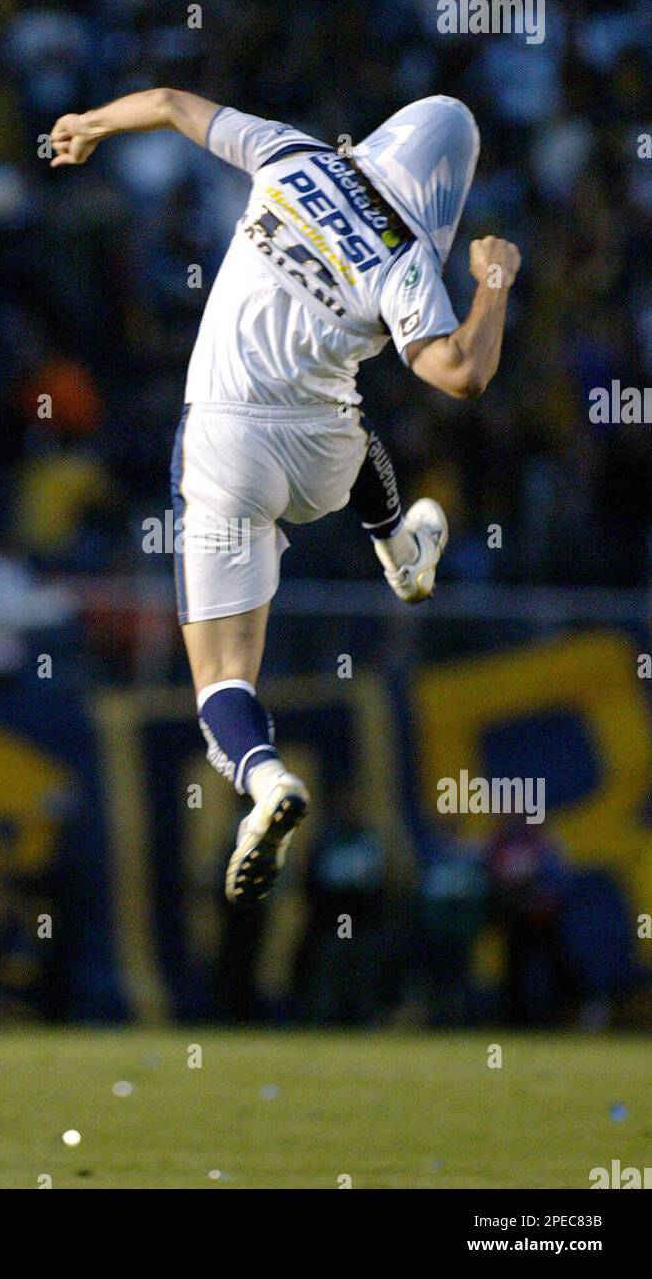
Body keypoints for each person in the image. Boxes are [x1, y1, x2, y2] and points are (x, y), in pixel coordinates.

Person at [51, 89, 521, 904]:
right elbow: (462, 373)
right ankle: (401, 556)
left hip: (228, 444)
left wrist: (89, 124)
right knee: (356, 425)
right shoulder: (409, 257)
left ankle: (267, 784)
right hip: (321, 451)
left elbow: (167, 102)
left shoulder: (296, 155)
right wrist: (494, 282)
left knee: (221, 681)